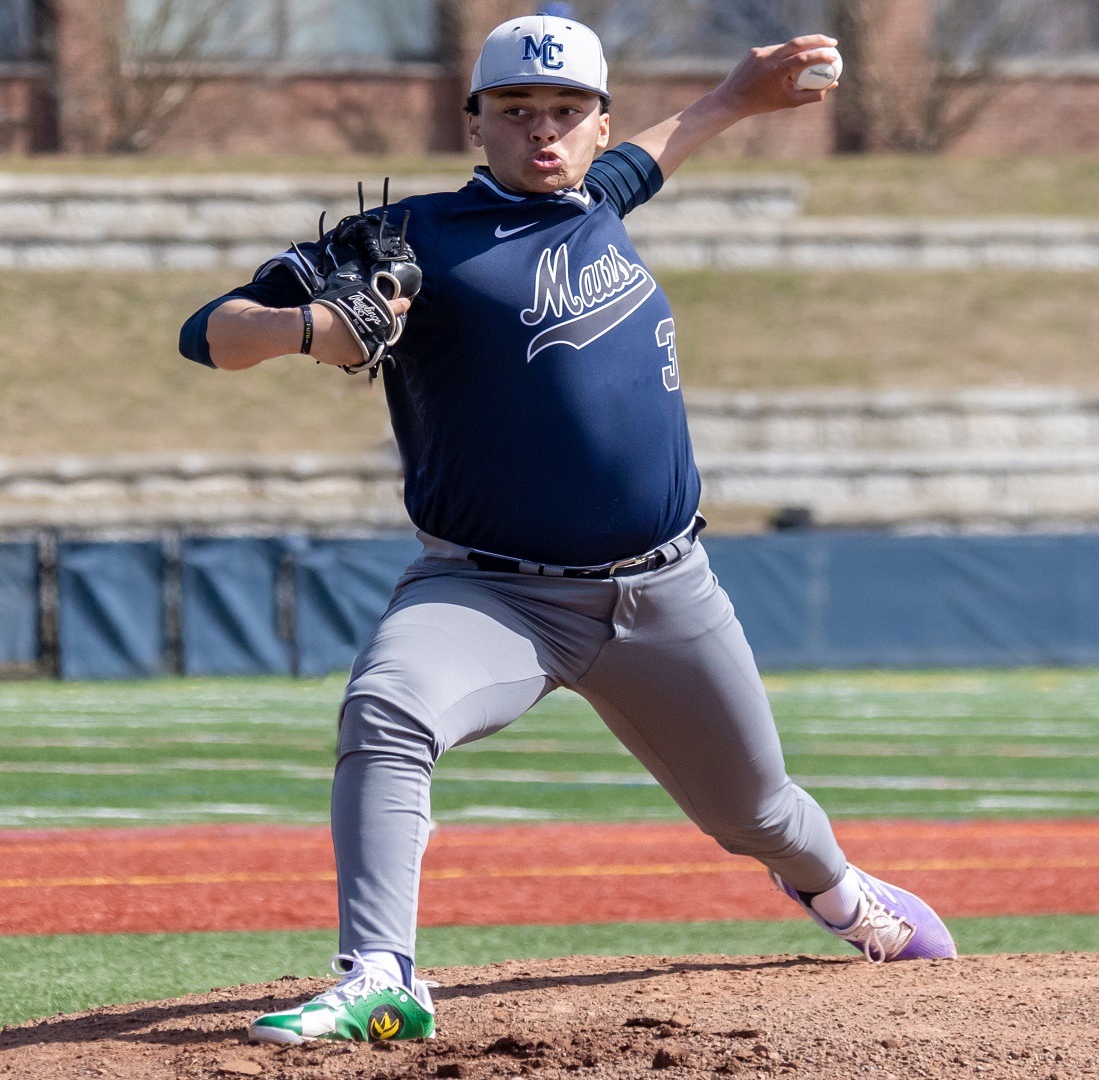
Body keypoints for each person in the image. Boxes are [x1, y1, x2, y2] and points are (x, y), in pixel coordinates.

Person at [179, 13, 955, 1047]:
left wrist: (736, 98)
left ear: (595, 127)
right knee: (386, 711)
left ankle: (839, 893)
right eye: (515, 112)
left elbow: (657, 152)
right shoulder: (416, 240)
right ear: (477, 124)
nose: (542, 131)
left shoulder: (601, 197)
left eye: (565, 112)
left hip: (668, 592)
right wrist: (308, 330)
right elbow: (207, 334)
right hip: (492, 594)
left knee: (756, 812)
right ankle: (379, 973)